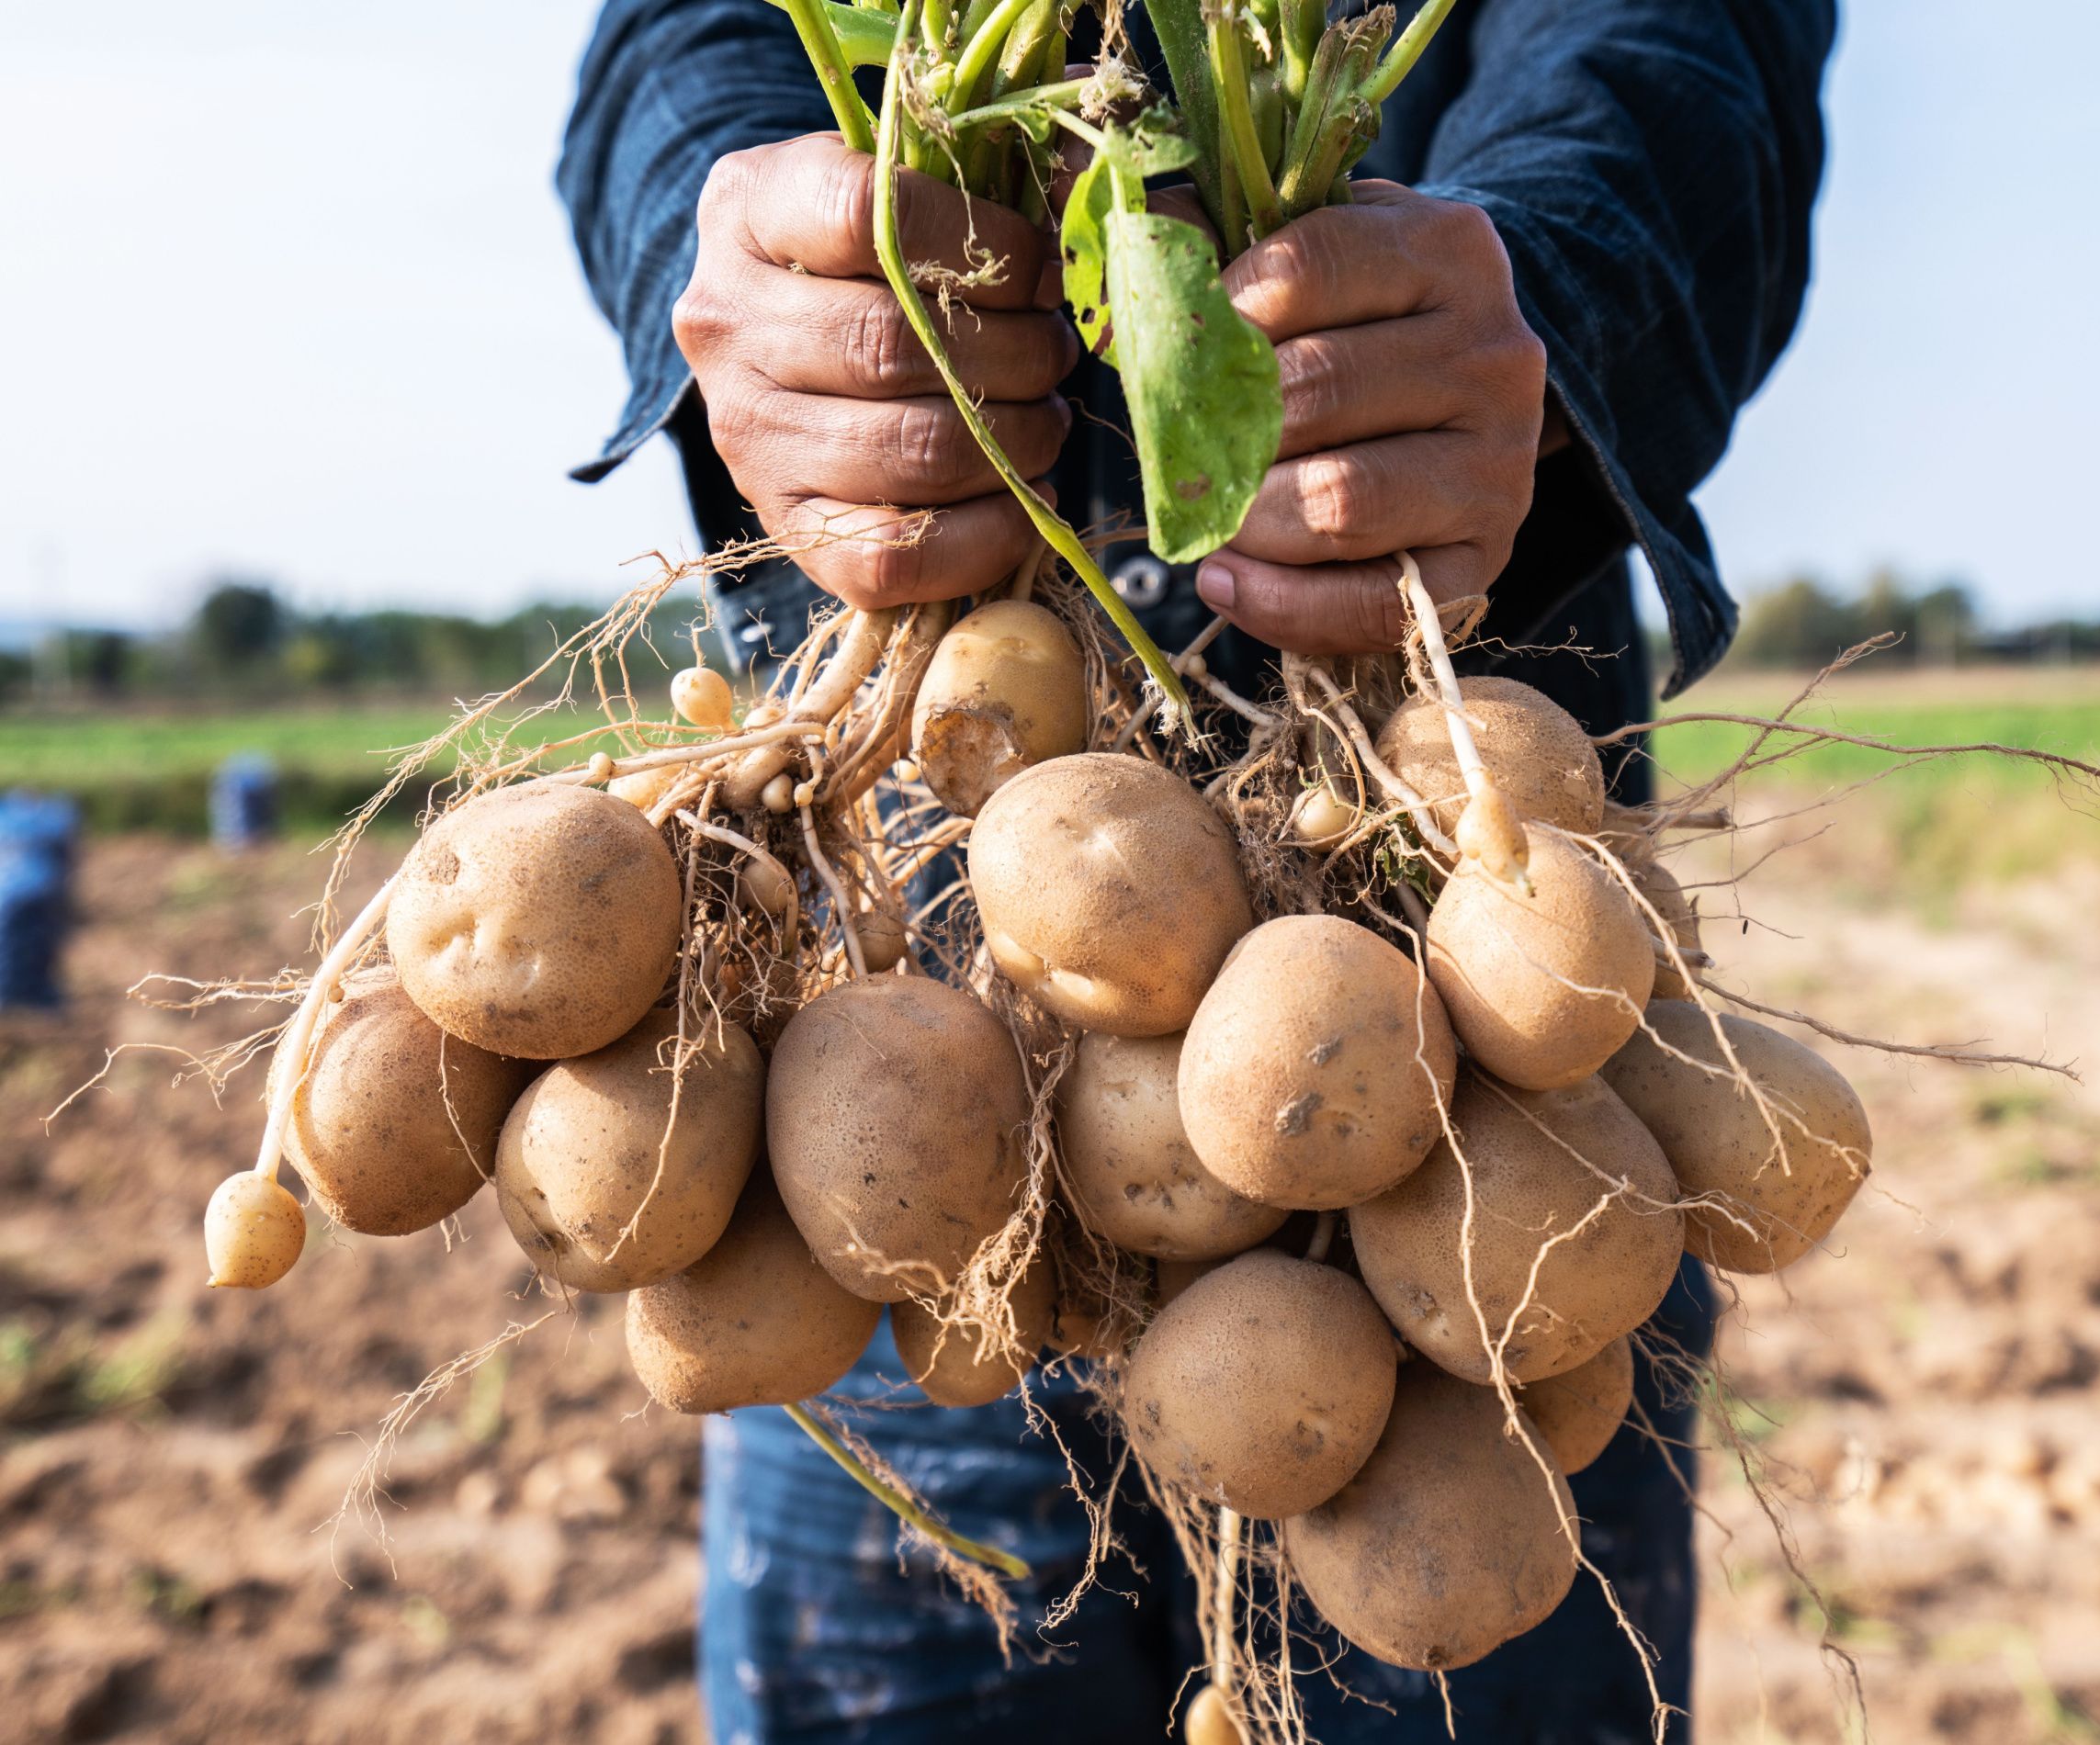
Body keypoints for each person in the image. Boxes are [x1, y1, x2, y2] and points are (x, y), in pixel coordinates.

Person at [559, 3, 1833, 1737]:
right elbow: (679, 38)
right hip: (896, 1093)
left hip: (1449, 1078)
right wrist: (748, 237)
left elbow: (1675, 45)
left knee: (1473, 1519)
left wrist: (1550, 286)